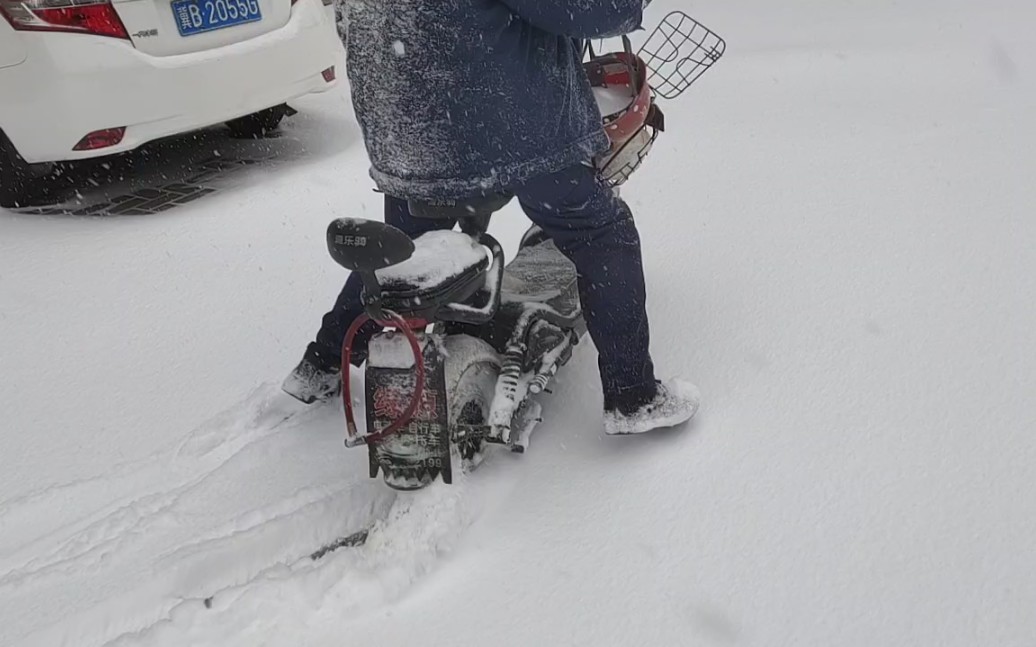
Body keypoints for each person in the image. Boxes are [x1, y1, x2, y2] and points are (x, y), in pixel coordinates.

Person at [283, 0, 699, 435]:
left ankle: (321, 363)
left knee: (405, 251)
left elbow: (353, 24)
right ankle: (633, 396)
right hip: (509, 128)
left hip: (406, 132)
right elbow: (583, 11)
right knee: (602, 234)